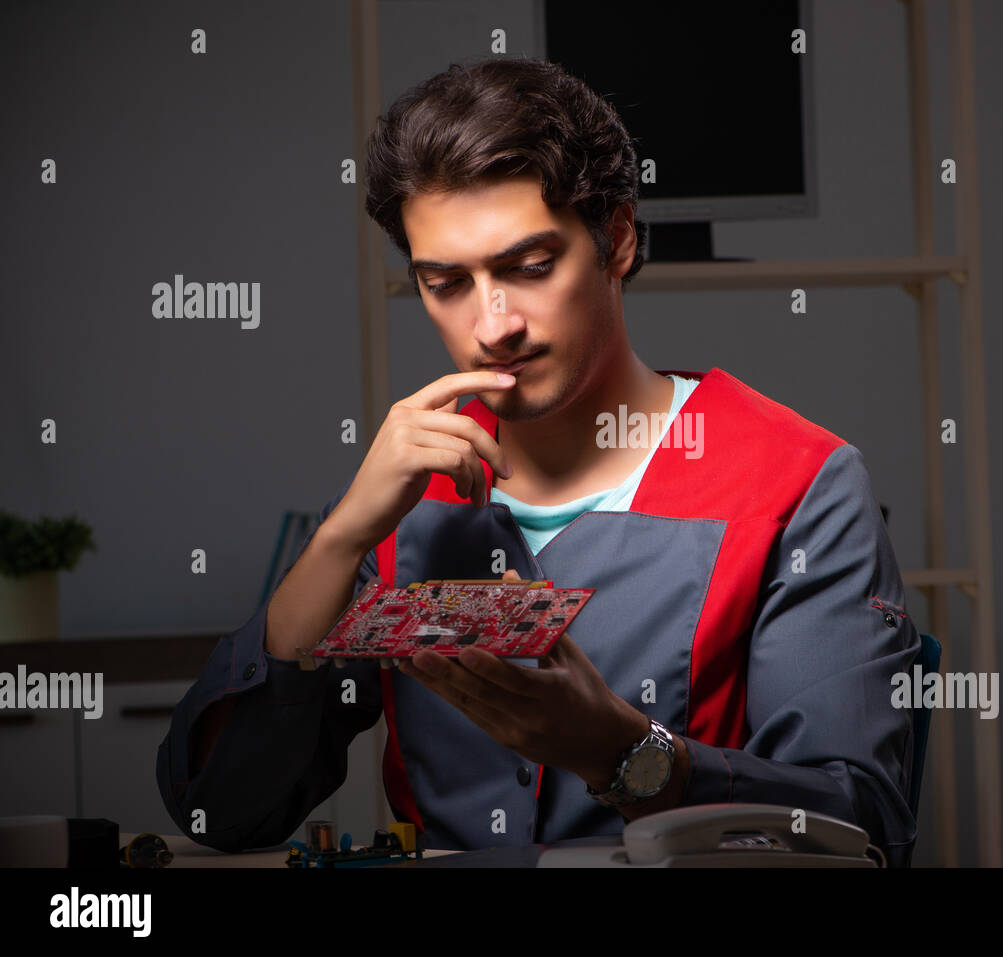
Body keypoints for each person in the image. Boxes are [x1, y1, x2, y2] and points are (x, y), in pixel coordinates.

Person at [156, 56, 921, 867]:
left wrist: (622, 750)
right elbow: (223, 811)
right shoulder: (403, 503)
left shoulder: (799, 484)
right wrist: (342, 536)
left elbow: (865, 831)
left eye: (529, 268)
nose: (494, 325)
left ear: (617, 239)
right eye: (446, 282)